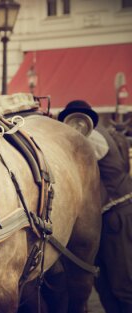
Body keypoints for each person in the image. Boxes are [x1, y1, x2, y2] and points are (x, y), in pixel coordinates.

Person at [58, 100, 132, 313]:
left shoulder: (93, 137)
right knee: (104, 286)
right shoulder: (94, 135)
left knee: (123, 284)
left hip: (117, 216)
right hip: (104, 218)